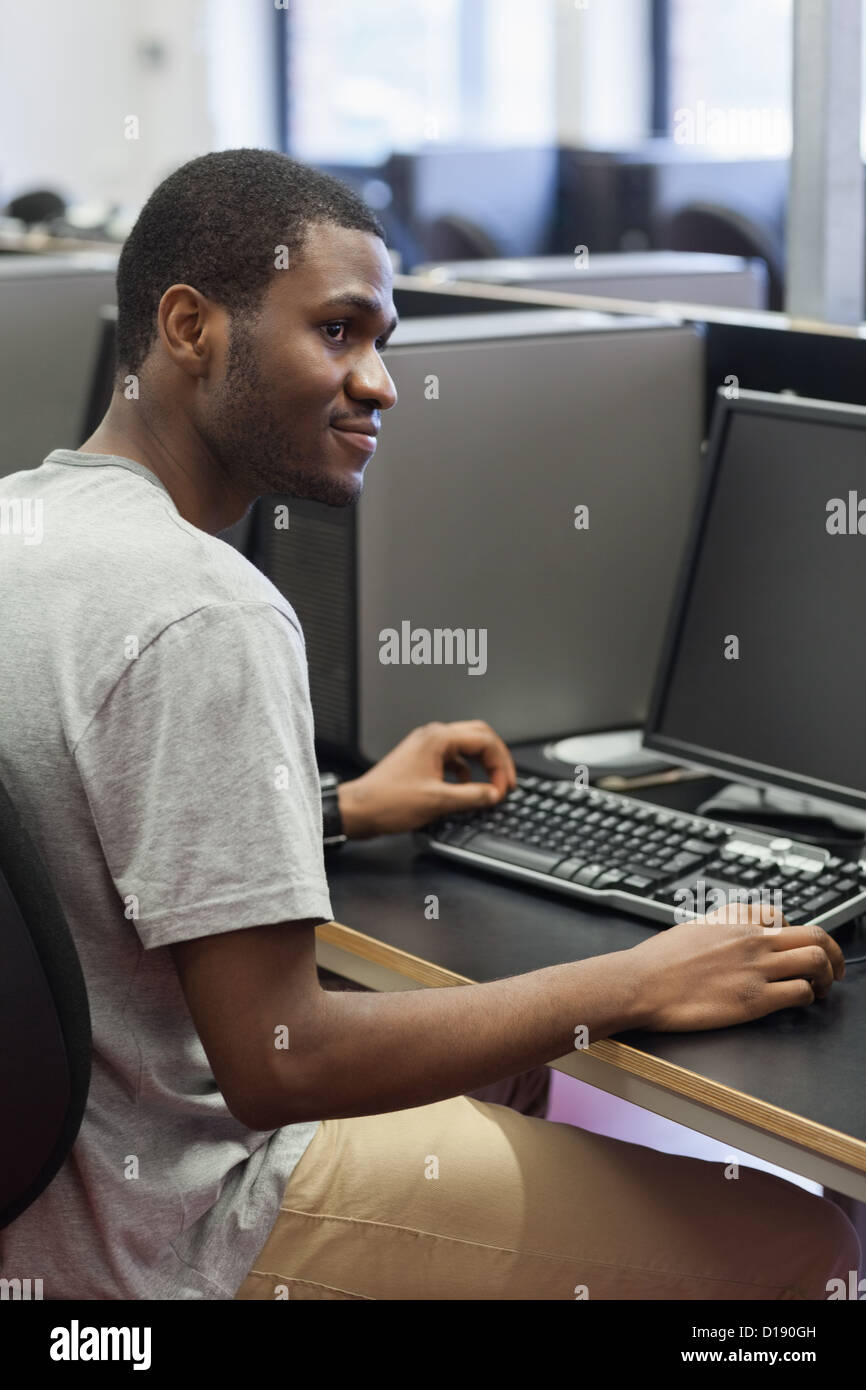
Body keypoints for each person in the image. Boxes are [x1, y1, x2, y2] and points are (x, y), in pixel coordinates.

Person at [0, 149, 858, 1301]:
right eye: (338, 331)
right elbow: (280, 1061)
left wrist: (338, 808)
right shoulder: (204, 606)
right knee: (810, 1247)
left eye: (383, 341)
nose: (382, 384)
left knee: (505, 1078)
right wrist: (632, 978)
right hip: (167, 1227)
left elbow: (69, 810)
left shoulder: (28, 525)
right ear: (191, 327)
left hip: (47, 1199)